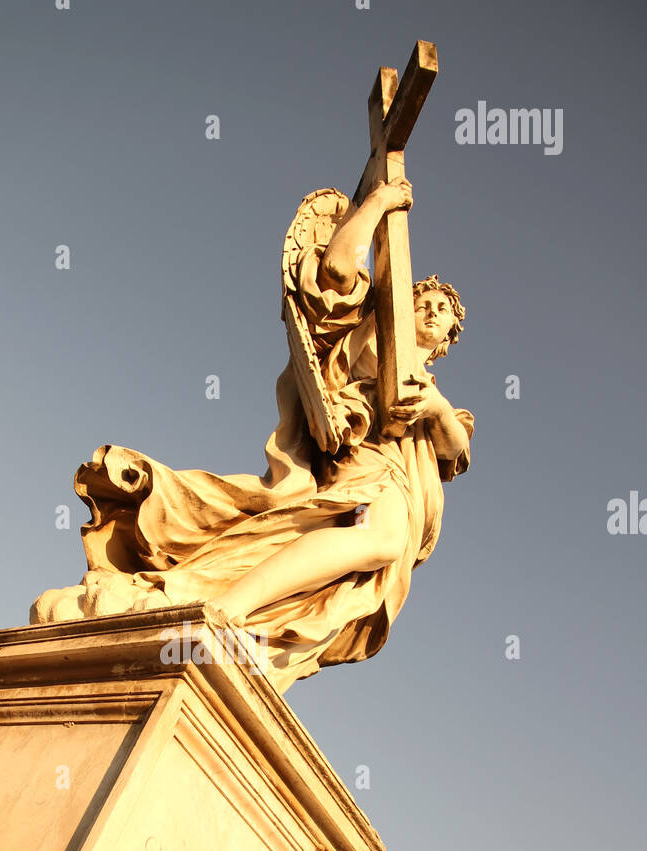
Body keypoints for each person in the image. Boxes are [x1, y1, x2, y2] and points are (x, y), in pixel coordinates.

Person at [30, 176, 474, 692]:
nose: (431, 310)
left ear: (445, 342)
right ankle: (226, 608)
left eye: (443, 312)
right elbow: (335, 269)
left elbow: (455, 450)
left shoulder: (442, 398)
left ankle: (225, 611)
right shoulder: (369, 331)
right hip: (365, 467)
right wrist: (378, 202)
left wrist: (437, 406)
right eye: (424, 299)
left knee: (343, 563)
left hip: (398, 478)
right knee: (382, 537)